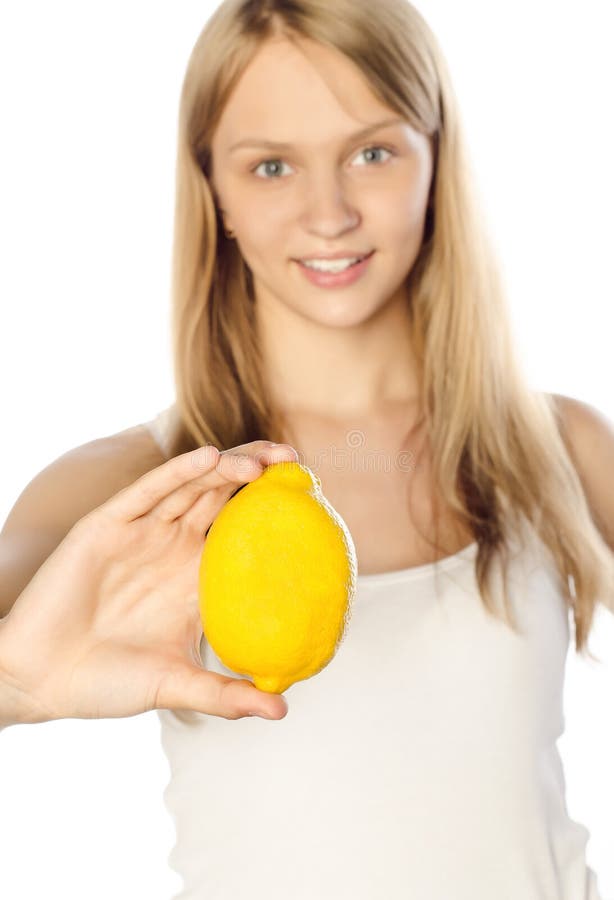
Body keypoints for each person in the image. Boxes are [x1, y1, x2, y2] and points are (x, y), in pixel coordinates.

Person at [1, 0, 613, 897]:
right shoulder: (132, 488)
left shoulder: (563, 449)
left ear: (436, 156)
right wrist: (15, 687)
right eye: (272, 166)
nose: (329, 215)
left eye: (372, 153)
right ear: (213, 189)